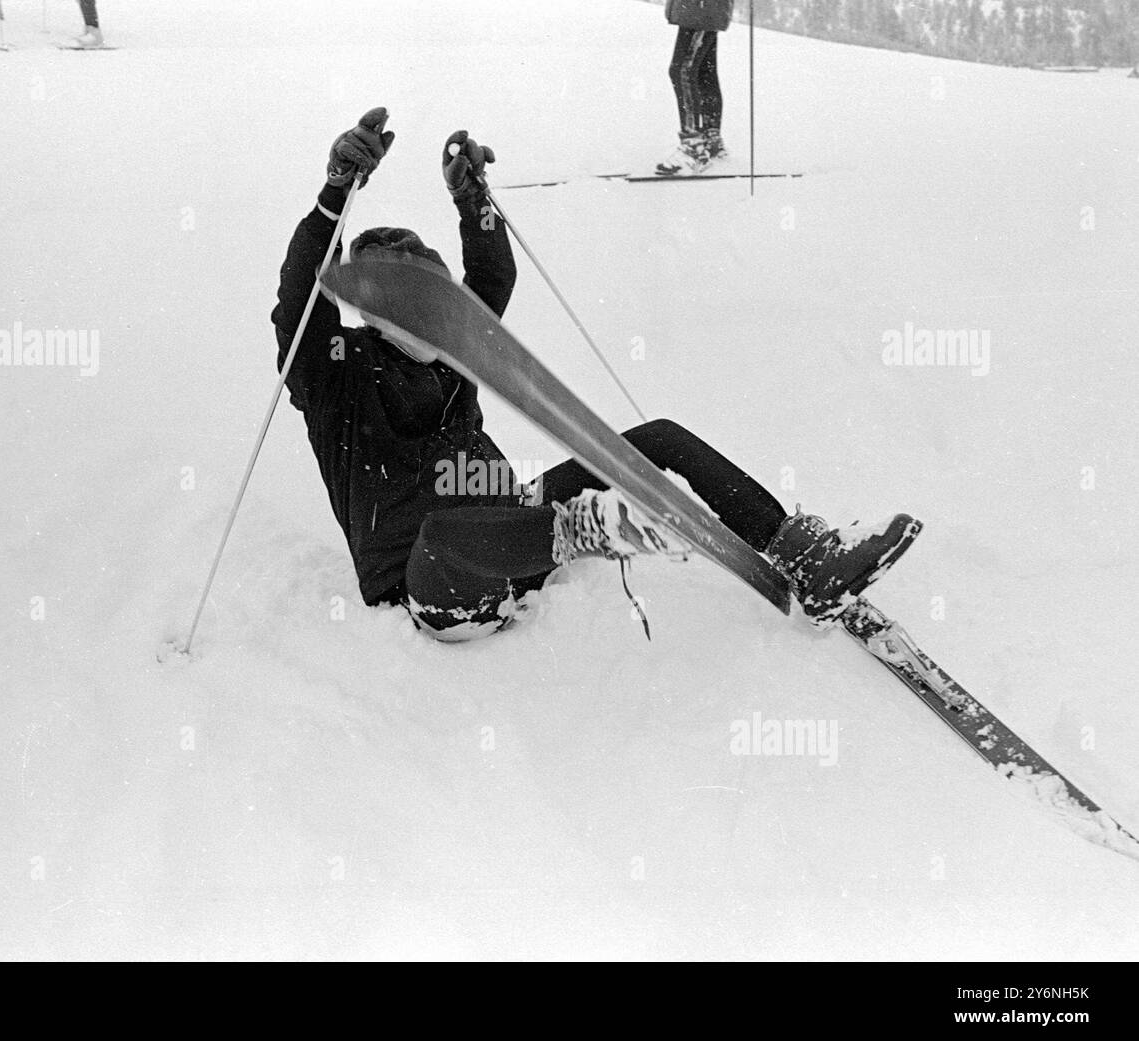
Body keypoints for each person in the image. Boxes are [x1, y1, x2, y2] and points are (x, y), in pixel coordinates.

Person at [272, 108, 920, 642]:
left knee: (658, 436)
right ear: (375, 315)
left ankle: (806, 560)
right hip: (431, 585)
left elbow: (492, 278)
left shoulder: (457, 350)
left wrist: (475, 203)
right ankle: (588, 529)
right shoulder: (339, 377)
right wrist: (335, 195)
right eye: (407, 306)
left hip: (514, 538)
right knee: (445, 534)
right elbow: (299, 305)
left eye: (437, 302)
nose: (433, 323)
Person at [657, 0, 734, 176]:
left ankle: (694, 147)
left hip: (700, 9)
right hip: (702, 9)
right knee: (703, 72)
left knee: (682, 70)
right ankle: (710, 139)